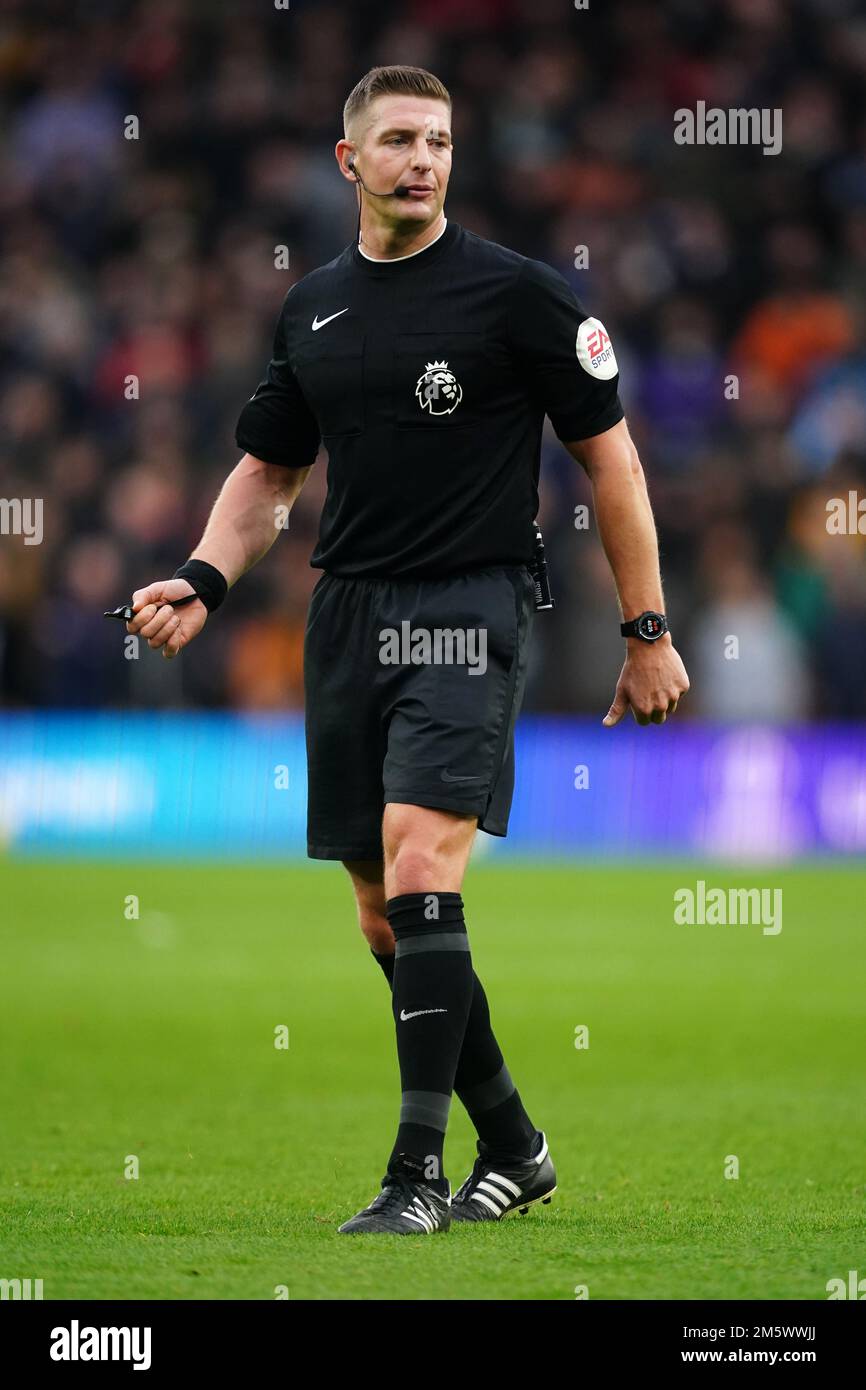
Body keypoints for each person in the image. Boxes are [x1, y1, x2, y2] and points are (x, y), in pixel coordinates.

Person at [125, 64, 690, 1236]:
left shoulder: (520, 298)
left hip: (470, 604)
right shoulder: (314, 308)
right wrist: (204, 574)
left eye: (437, 140)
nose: (422, 159)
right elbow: (270, 472)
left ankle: (414, 1174)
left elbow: (612, 464)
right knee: (383, 917)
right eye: (397, 141)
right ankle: (518, 1145)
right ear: (351, 163)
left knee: (424, 866)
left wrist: (646, 630)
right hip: (347, 615)